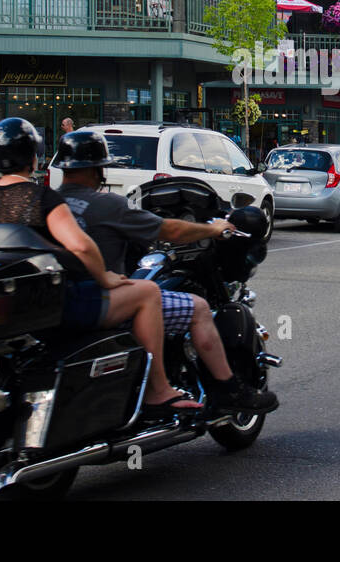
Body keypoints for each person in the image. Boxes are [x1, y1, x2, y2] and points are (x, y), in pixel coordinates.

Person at [0, 118, 201, 416]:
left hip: (3, 311)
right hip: (45, 305)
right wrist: (105, 278)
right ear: (33, 158)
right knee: (146, 293)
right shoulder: (41, 199)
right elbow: (80, 246)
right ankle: (158, 392)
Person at [51, 130, 278, 414]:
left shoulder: (50, 205)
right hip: (99, 300)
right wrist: (213, 229)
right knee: (198, 308)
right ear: (98, 168)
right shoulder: (107, 204)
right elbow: (170, 229)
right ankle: (226, 391)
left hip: (59, 301)